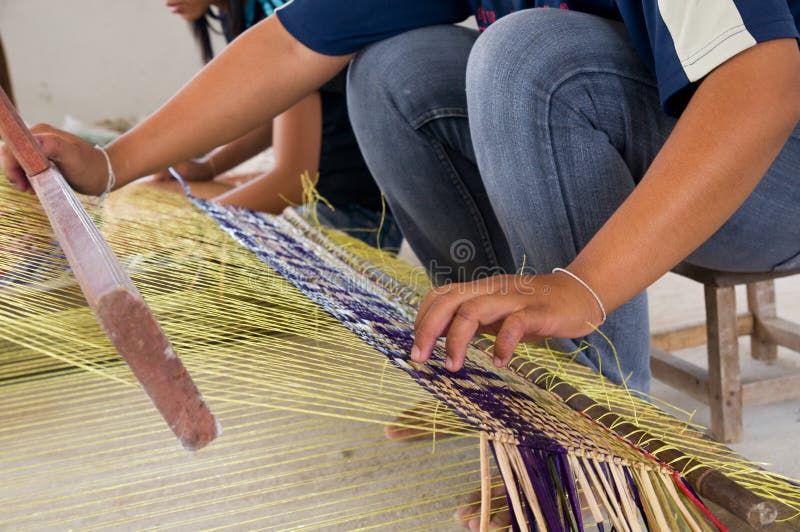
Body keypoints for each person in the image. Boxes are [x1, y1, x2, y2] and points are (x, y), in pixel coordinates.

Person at [2, 3, 798, 524]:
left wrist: (584, 286)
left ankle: (591, 469)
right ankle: (501, 378)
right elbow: (294, 41)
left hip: (772, 171)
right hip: (670, 139)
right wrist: (112, 164)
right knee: (393, 71)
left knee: (528, 56)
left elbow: (762, 86)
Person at [152, 0, 403, 249]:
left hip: (357, 216)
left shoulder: (284, 17)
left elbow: (294, 182)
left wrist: (200, 228)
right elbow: (280, 115)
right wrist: (206, 168)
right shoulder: (241, 14)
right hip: (321, 198)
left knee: (179, 253)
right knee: (160, 194)